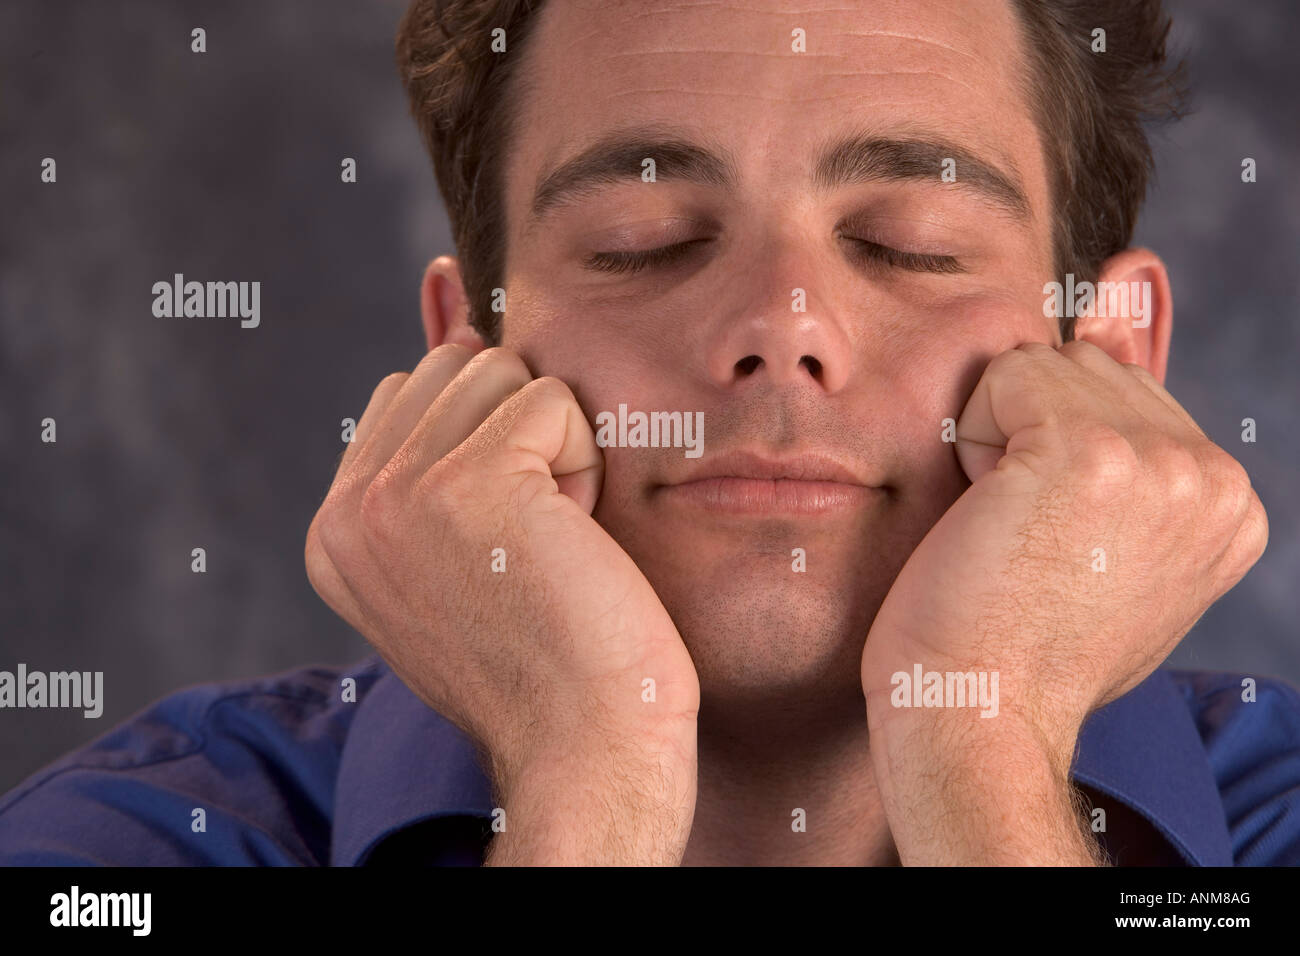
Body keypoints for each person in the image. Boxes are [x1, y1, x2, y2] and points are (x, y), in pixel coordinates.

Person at [3, 0, 1297, 867]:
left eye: (910, 247)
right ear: (474, 357)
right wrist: (584, 784)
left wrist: (985, 740)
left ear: (1110, 355)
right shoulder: (127, 844)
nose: (782, 327)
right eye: (646, 244)